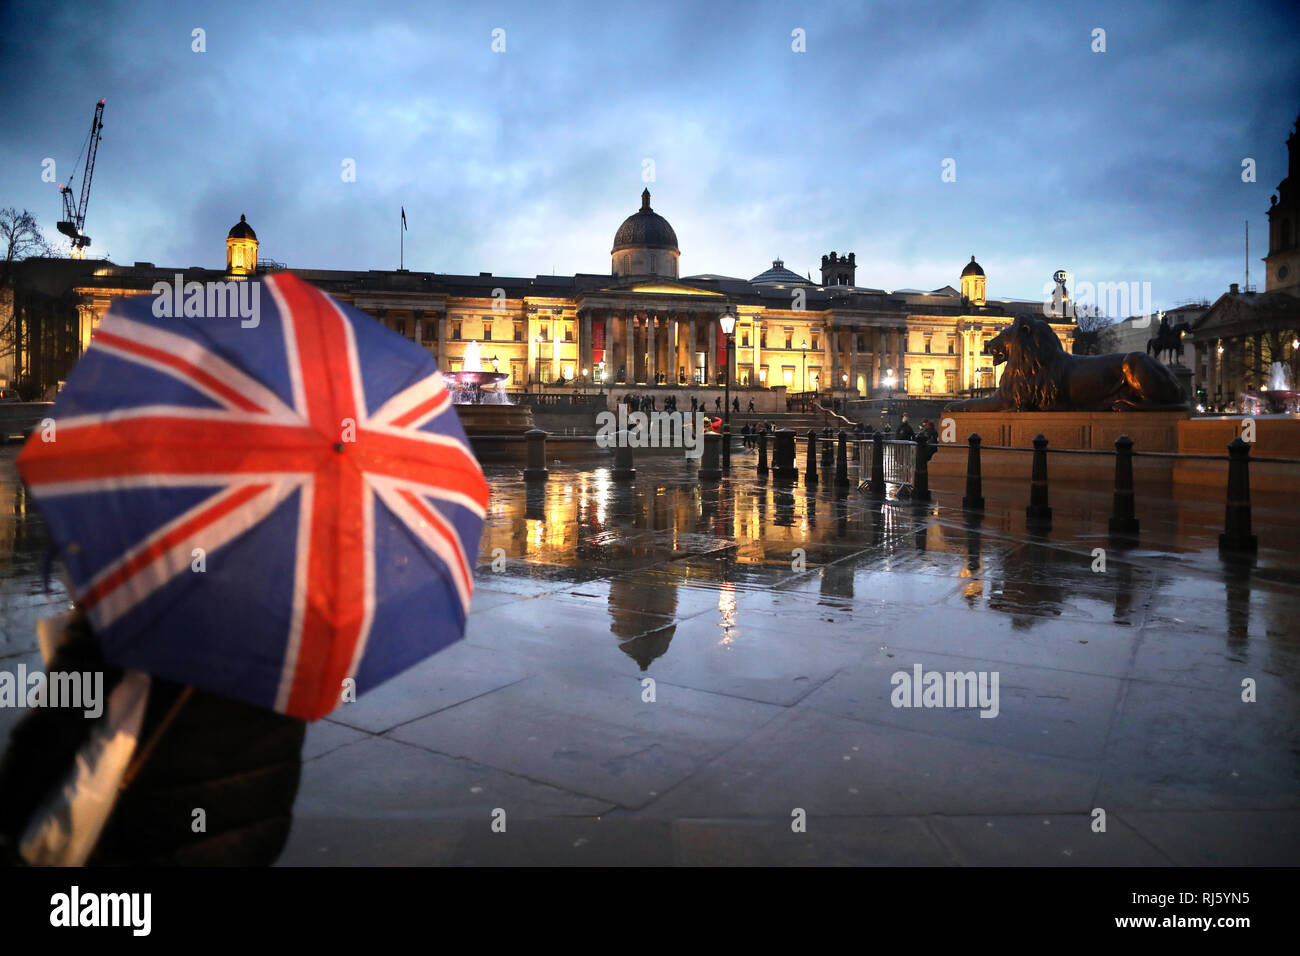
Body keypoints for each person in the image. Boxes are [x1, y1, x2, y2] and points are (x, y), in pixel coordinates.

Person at [0, 609, 305, 866]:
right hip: (248, 837)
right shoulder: (299, 613)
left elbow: (55, 727)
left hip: (143, 833)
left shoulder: (138, 583)